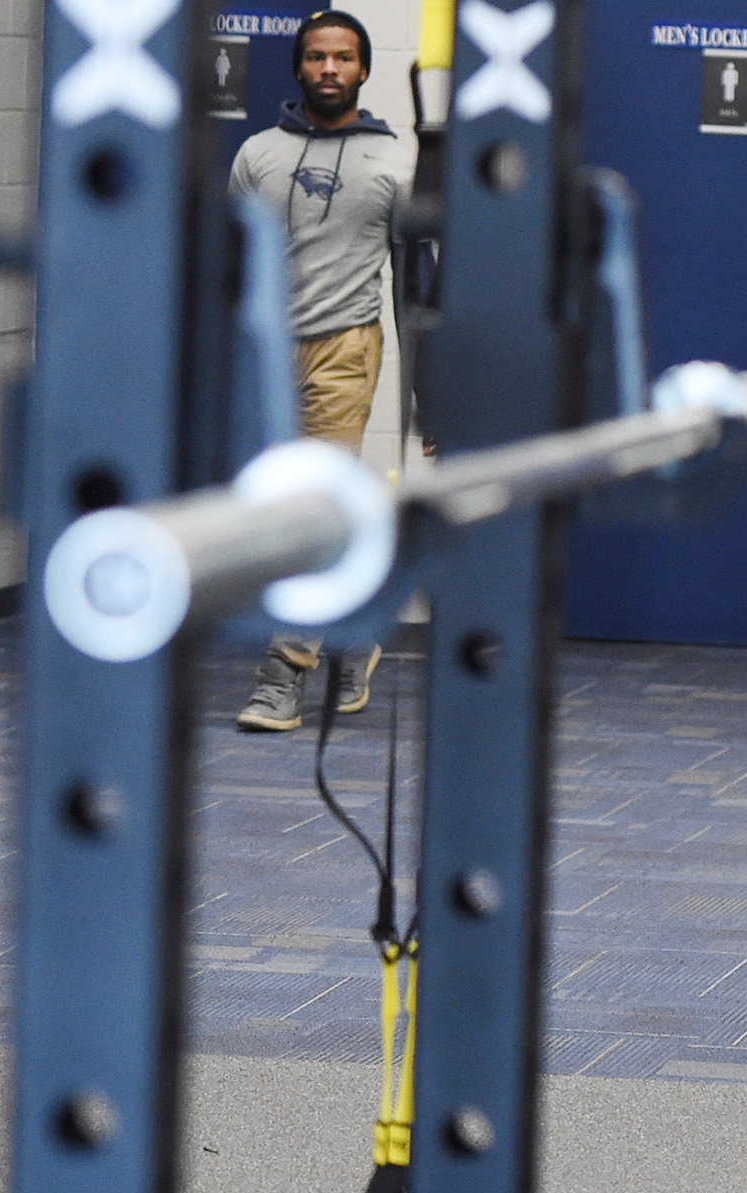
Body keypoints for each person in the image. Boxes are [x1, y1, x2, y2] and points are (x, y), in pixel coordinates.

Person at [230, 9, 415, 732]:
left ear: (363, 70)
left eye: (343, 59)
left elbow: (412, 279)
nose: (329, 70)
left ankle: (282, 675)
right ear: (299, 68)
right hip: (267, 355)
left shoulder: (396, 162)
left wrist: (426, 391)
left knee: (307, 505)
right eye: (316, 59)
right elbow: (232, 267)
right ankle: (356, 633)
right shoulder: (256, 156)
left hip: (346, 348)